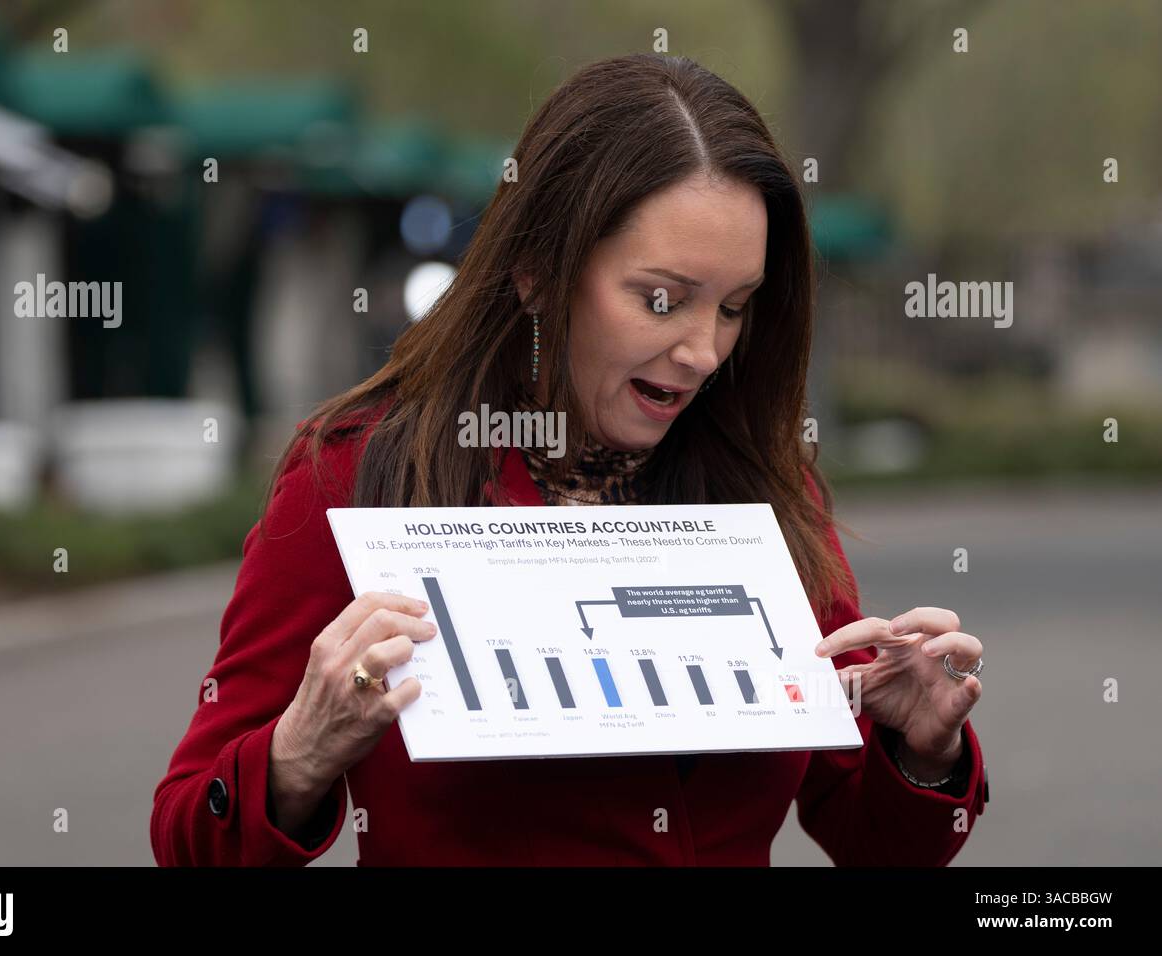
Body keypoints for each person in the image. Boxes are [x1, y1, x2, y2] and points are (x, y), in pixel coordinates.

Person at [151, 52, 988, 866]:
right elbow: (190, 836)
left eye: (735, 307)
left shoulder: (766, 490)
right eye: (661, 299)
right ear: (535, 269)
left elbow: (875, 840)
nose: (703, 351)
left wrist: (921, 747)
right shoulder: (361, 475)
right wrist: (298, 752)